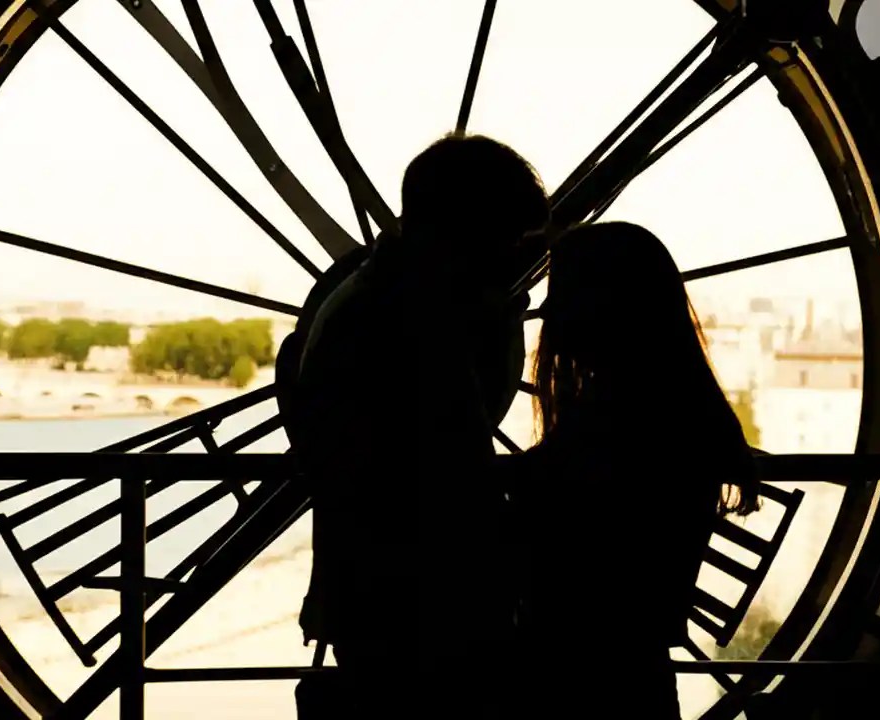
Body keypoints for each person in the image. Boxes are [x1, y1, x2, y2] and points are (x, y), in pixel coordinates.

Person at [292, 134, 549, 717]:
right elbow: (453, 468)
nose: (508, 257)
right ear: (467, 233)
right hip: (423, 605)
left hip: (381, 603)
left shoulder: (378, 307)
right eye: (504, 238)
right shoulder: (417, 321)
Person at [507, 222, 761, 719]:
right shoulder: (668, 416)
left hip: (570, 678)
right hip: (627, 680)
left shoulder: (605, 422)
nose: (549, 312)